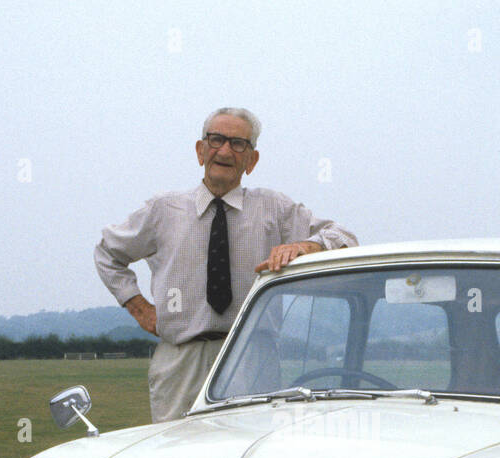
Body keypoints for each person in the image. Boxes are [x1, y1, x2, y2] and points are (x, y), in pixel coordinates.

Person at [95, 108, 357, 422]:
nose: (225, 150)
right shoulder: (163, 210)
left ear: (252, 160)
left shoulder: (273, 208)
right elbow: (108, 253)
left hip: (254, 359)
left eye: (238, 144)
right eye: (216, 139)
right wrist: (138, 307)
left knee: (249, 456)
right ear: (200, 150)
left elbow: (344, 237)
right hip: (181, 362)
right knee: (176, 457)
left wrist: (305, 246)